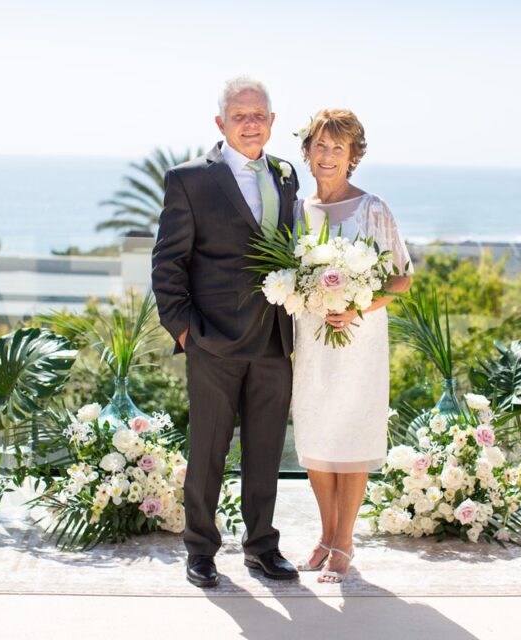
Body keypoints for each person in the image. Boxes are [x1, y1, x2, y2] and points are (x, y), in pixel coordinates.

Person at [151, 77, 300, 588]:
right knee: (207, 450)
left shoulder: (285, 175)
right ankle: (200, 550)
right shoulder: (189, 179)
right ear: (221, 123)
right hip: (212, 340)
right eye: (240, 115)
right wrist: (187, 332)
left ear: (272, 121)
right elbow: (168, 263)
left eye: (259, 114)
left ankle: (261, 547)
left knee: (265, 452)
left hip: (275, 341)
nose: (251, 122)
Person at [291, 109, 413, 583]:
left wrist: (358, 308)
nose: (327, 156)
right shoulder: (298, 211)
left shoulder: (373, 208)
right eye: (320, 146)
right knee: (318, 435)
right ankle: (325, 536)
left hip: (359, 340)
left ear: (353, 156)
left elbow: (402, 279)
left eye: (337, 149)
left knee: (352, 435)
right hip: (313, 340)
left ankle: (345, 541)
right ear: (308, 151)